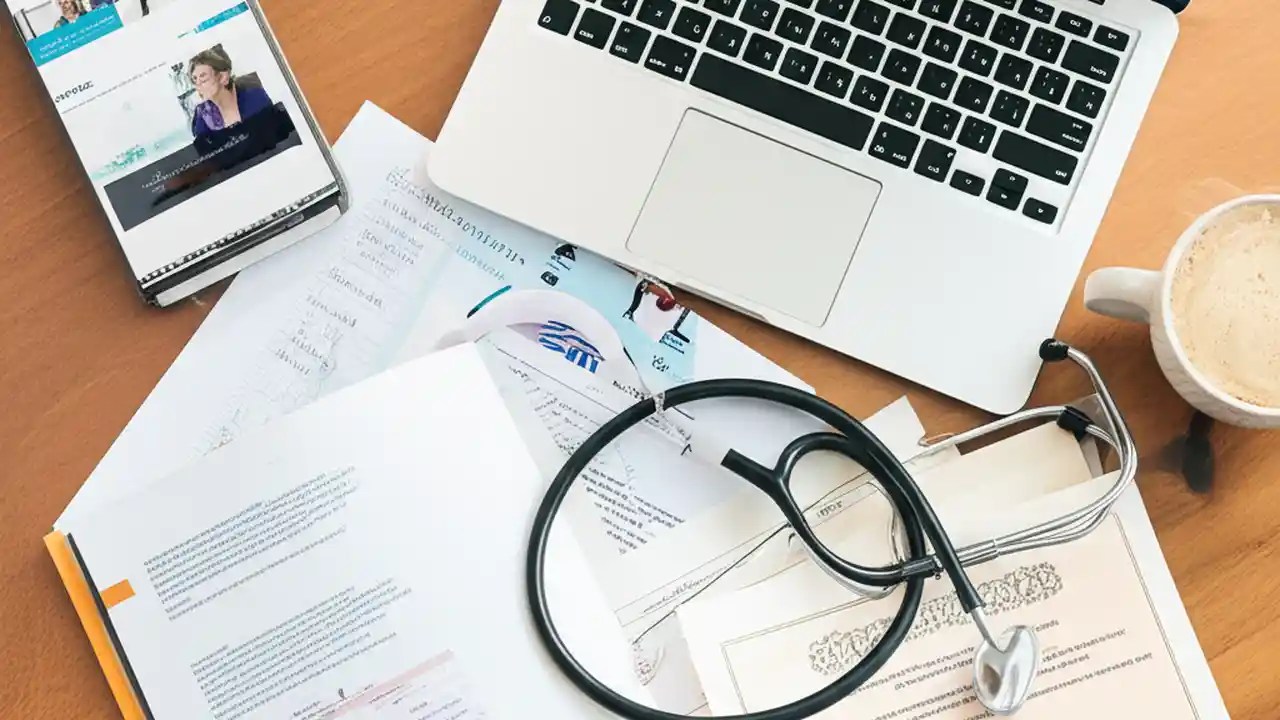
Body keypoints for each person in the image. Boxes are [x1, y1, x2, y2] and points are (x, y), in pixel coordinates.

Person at [187, 47, 273, 137]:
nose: (198, 84)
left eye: (203, 77)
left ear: (223, 77)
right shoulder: (201, 116)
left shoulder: (255, 97)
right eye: (195, 80)